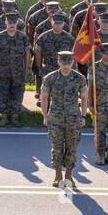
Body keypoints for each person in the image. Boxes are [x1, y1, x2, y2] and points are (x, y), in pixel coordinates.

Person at [39, 50, 89, 189]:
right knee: (57, 147)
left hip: (73, 117)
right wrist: (44, 116)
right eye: (63, 62)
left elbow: (84, 98)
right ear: (58, 62)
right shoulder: (50, 78)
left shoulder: (79, 78)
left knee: (72, 147)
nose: (66, 65)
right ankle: (57, 175)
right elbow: (44, 97)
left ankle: (68, 175)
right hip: (56, 117)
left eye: (68, 62)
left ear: (72, 62)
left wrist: (84, 116)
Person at [0, 13, 31, 126]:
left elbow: (27, 54)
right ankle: (4, 117)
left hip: (18, 71)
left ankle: (14, 117)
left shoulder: (23, 37)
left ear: (17, 23)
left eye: (14, 22)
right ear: (6, 23)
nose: (12, 24)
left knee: (17, 94)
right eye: (10, 22)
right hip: (3, 71)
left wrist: (27, 68)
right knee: (2, 94)